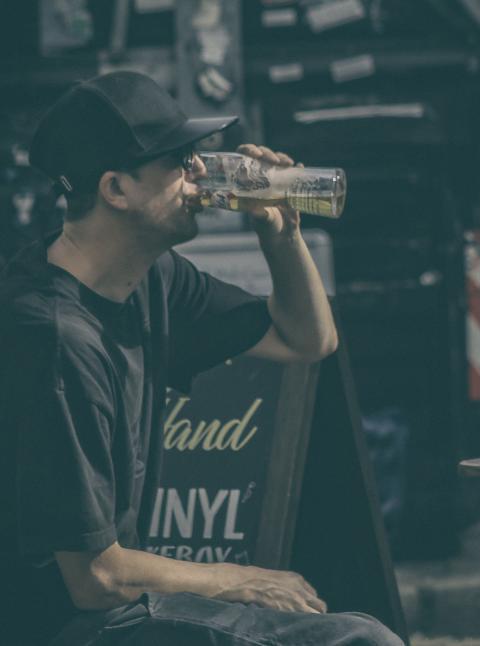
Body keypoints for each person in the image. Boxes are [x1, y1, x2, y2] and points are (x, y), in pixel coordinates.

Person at [0, 71, 401, 646]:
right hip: (63, 626)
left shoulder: (148, 279)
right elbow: (95, 578)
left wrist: (281, 233)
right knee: (360, 642)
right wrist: (235, 579)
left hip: (115, 609)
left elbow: (307, 340)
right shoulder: (54, 337)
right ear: (116, 189)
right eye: (178, 160)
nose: (199, 172)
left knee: (353, 627)